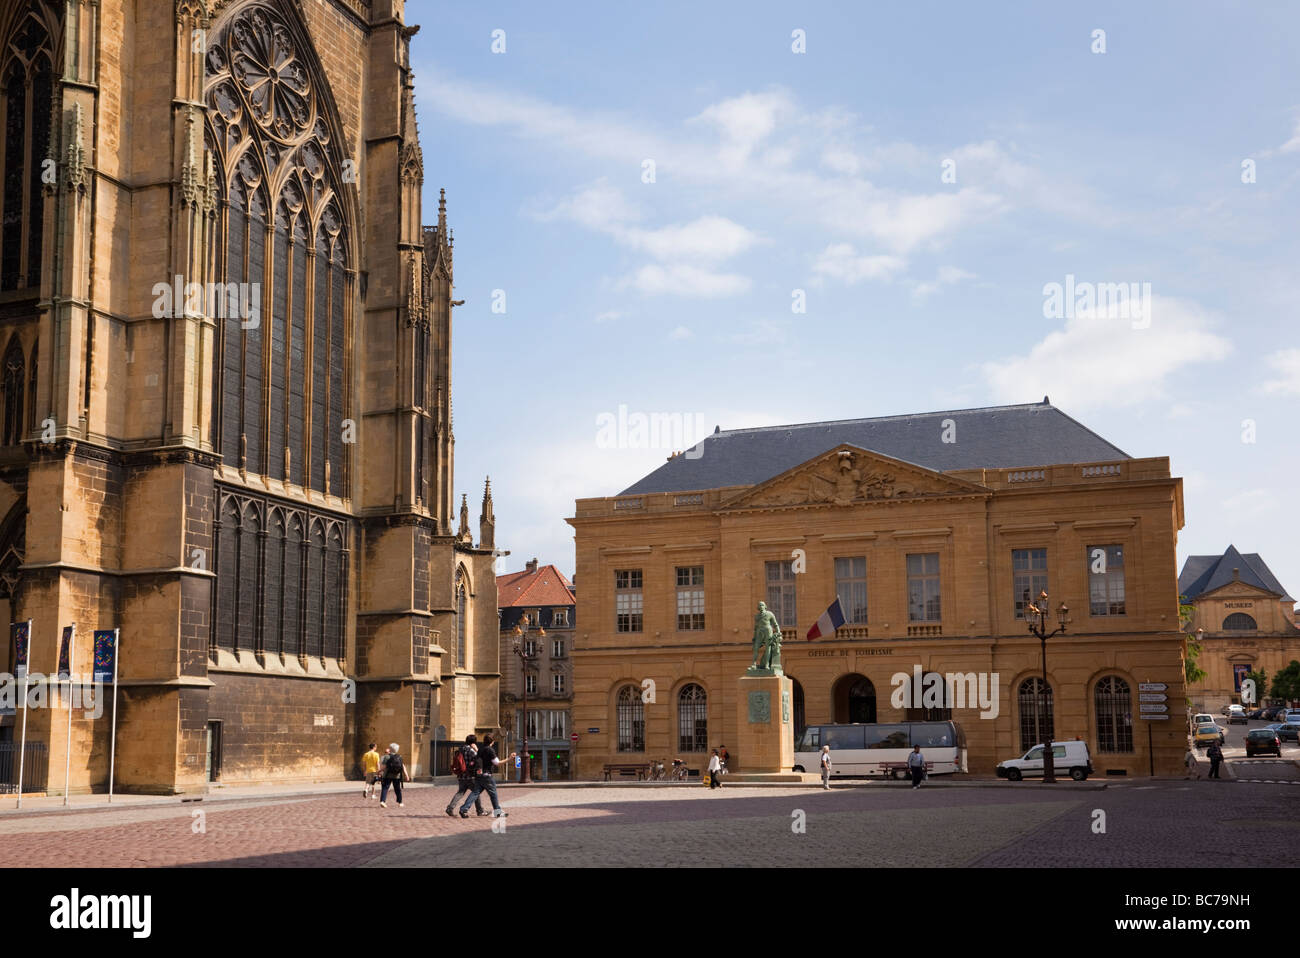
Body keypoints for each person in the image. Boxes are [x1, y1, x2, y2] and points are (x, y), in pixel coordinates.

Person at [459, 732, 515, 818]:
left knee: (475, 793)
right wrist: (509, 758)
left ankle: (463, 809)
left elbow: (480, 757)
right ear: (492, 741)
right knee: (493, 794)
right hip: (487, 776)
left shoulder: (481, 749)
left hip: (479, 775)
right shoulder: (490, 750)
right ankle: (498, 812)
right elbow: (497, 763)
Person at [446, 734, 486, 817]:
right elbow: (479, 759)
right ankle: (480, 810)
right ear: (474, 742)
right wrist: (476, 749)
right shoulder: (471, 750)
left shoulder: (460, 749)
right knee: (476, 792)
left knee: (460, 793)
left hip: (461, 775)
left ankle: (450, 808)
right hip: (470, 776)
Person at [380, 742, 409, 807]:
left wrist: (379, 771)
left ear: (390, 749)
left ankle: (382, 801)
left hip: (387, 775)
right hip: (397, 776)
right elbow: (403, 767)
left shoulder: (387, 757)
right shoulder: (399, 757)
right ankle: (400, 802)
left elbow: (384, 766)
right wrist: (406, 775)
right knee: (397, 789)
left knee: (385, 788)